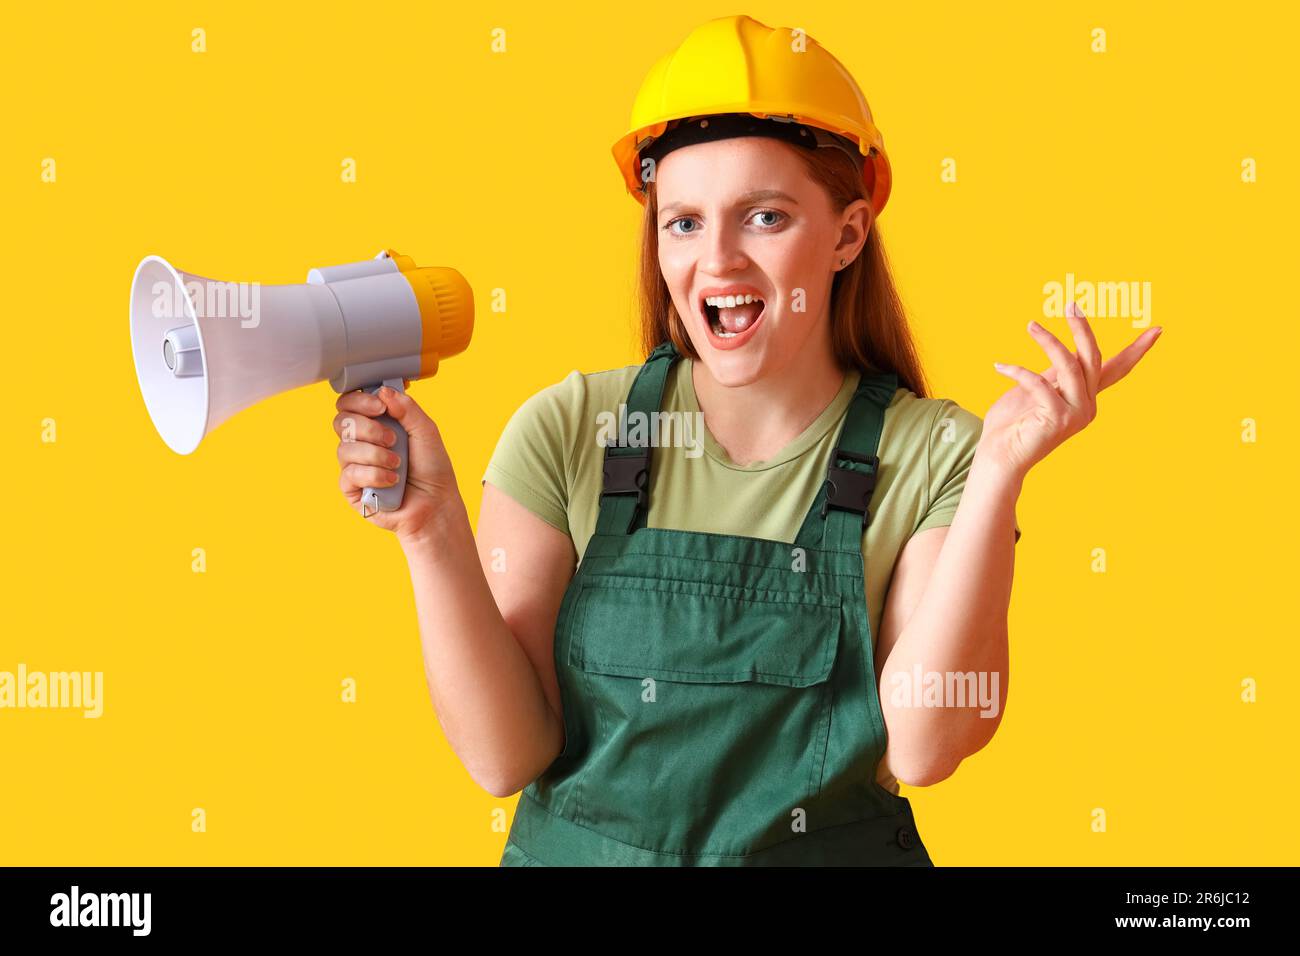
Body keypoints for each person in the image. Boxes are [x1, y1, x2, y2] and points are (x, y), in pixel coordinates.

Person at [331, 15, 1160, 866]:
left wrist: (997, 481)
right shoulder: (571, 428)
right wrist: (429, 532)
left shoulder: (938, 453)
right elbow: (504, 757)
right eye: (683, 222)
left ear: (848, 233)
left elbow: (926, 745)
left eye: (763, 217)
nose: (716, 261)